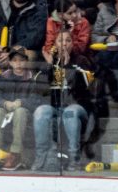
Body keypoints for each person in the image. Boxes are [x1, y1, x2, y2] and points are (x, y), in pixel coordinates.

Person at [32, 29, 96, 171]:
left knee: (70, 112)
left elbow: (86, 85)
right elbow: (39, 87)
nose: (64, 44)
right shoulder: (50, 62)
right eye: (60, 40)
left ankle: (75, 158)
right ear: (55, 44)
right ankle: (41, 156)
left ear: (72, 44)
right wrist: (50, 66)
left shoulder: (81, 60)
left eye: (68, 40)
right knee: (40, 112)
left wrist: (67, 66)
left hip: (77, 108)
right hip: (55, 107)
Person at [0, 45, 41, 170]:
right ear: (10, 62)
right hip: (6, 108)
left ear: (26, 61)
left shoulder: (32, 78)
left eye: (22, 60)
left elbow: (36, 101)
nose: (18, 63)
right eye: (15, 60)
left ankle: (15, 153)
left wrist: (21, 102)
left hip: (23, 111)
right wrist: (4, 103)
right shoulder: (2, 77)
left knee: (20, 112)